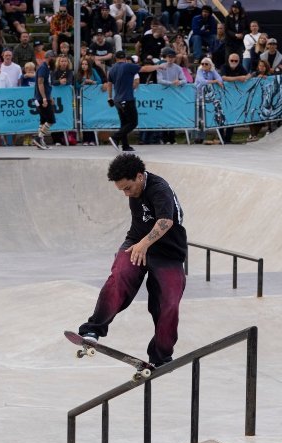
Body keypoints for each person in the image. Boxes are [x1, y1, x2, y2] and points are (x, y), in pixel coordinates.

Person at [78, 153, 187, 368]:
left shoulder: (159, 189)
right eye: (122, 190)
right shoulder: (134, 188)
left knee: (168, 303)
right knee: (120, 277)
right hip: (136, 242)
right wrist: (139, 244)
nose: (126, 194)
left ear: (139, 176)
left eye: (128, 188)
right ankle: (93, 330)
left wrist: (144, 244)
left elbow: (165, 222)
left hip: (168, 253)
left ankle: (161, 355)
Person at [104, 50, 161, 152]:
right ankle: (115, 137)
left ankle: (125, 146)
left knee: (124, 123)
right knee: (133, 122)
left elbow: (109, 84)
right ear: (125, 58)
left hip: (117, 100)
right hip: (127, 98)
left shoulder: (111, 70)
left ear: (115, 59)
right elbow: (144, 68)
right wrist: (158, 66)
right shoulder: (128, 66)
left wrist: (109, 98)